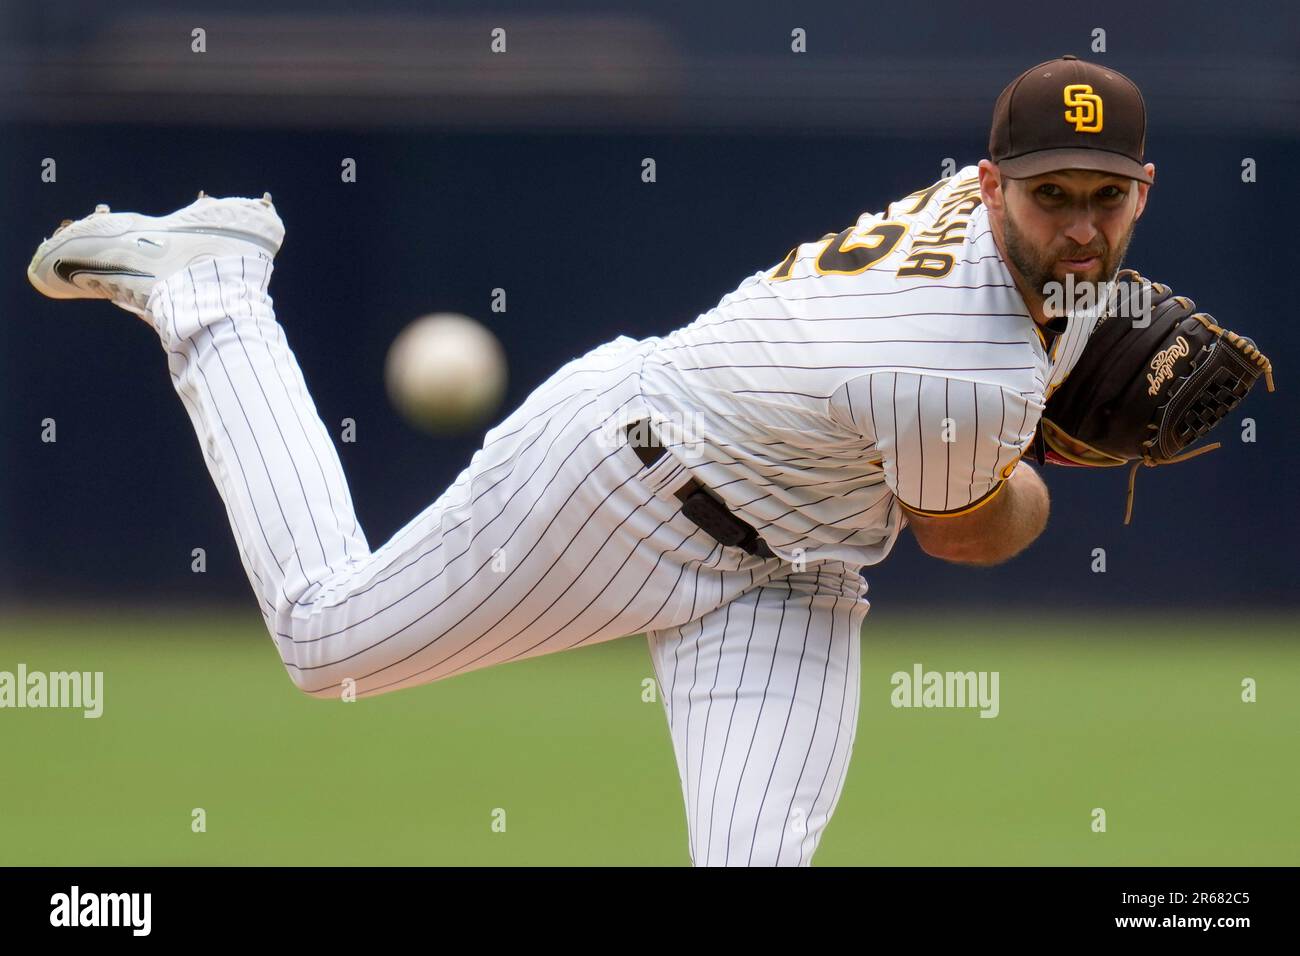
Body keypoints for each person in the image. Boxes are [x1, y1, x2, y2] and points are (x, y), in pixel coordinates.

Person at [27, 55, 1153, 866]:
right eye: (1052, 195)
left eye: (1105, 197)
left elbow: (1015, 352)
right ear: (992, 179)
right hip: (627, 481)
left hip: (794, 564)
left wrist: (1033, 398)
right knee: (326, 640)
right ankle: (214, 292)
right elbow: (968, 529)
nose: (1081, 228)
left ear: (1141, 189)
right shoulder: (958, 371)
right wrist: (1045, 456)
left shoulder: (987, 247)